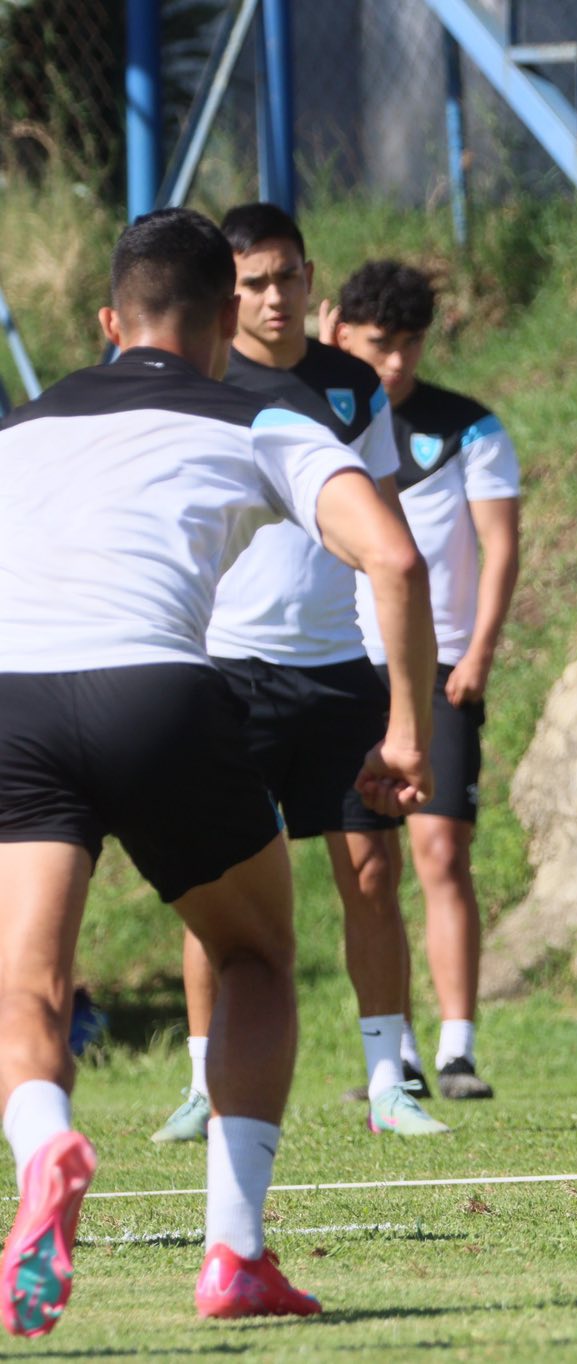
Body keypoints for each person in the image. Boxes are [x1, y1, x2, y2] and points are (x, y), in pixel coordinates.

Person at [0, 207, 435, 1330]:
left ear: (110, 322)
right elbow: (391, 553)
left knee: (29, 981)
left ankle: (44, 1139)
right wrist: (404, 729)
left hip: (15, 699)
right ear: (218, 321)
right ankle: (234, 1254)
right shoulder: (257, 414)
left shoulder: (21, 429)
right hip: (158, 691)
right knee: (253, 951)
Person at [155, 203, 449, 1143]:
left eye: (288, 278)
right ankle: (205, 1084)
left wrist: (399, 678)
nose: (275, 297)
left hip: (337, 670)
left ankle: (389, 1081)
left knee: (370, 873)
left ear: (311, 280)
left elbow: (386, 536)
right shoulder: (202, 384)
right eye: (254, 283)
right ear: (225, 294)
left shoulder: (354, 387)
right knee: (217, 884)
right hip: (229, 673)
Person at [331, 261, 521, 1103]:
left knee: (442, 851)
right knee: (367, 865)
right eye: (380, 346)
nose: (397, 364)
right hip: (345, 664)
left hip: (441, 662)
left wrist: (478, 652)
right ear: (340, 332)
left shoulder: (469, 428)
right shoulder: (316, 423)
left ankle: (457, 1048)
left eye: (409, 346)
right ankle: (392, 1050)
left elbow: (500, 546)